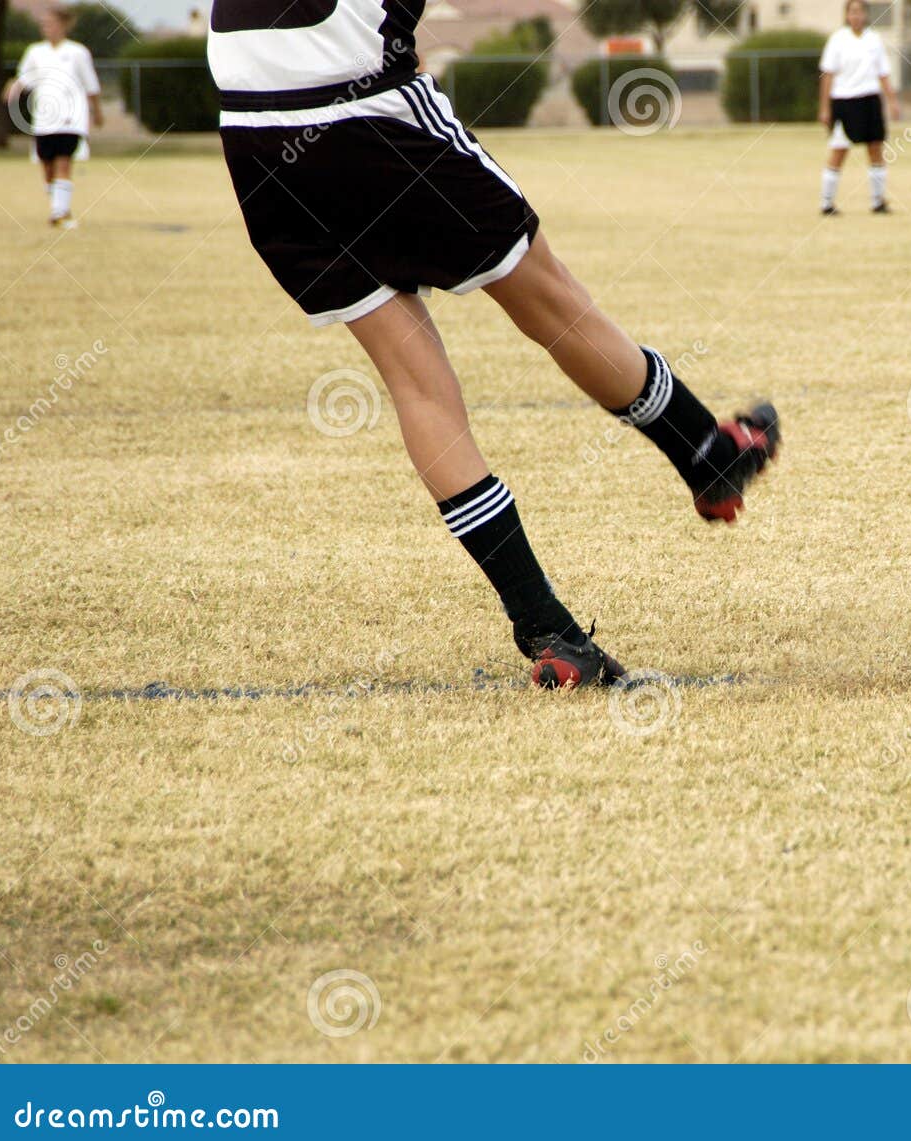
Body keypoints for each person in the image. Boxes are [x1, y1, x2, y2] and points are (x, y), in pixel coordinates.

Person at [206, 0, 781, 689]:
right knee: (554, 304)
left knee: (415, 383)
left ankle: (549, 631)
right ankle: (708, 455)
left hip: (255, 143)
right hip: (364, 111)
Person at [2, 6, 102, 228]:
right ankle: (60, 208)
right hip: (44, 120)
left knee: (63, 163)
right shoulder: (35, 52)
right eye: (44, 25)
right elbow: (24, 78)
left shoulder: (78, 52)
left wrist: (97, 112)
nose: (47, 28)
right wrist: (13, 86)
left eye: (52, 23)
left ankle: (58, 213)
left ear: (64, 25)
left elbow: (91, 86)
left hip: (70, 118)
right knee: (47, 168)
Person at [817, 0, 900, 215]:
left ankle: (878, 201)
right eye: (852, 12)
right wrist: (825, 107)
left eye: (860, 12)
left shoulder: (874, 40)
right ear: (846, 15)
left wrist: (892, 101)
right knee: (839, 150)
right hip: (844, 101)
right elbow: (827, 74)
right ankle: (827, 203)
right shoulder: (837, 40)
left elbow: (883, 73)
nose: (856, 16)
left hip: (869, 100)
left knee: (875, 149)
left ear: (866, 15)